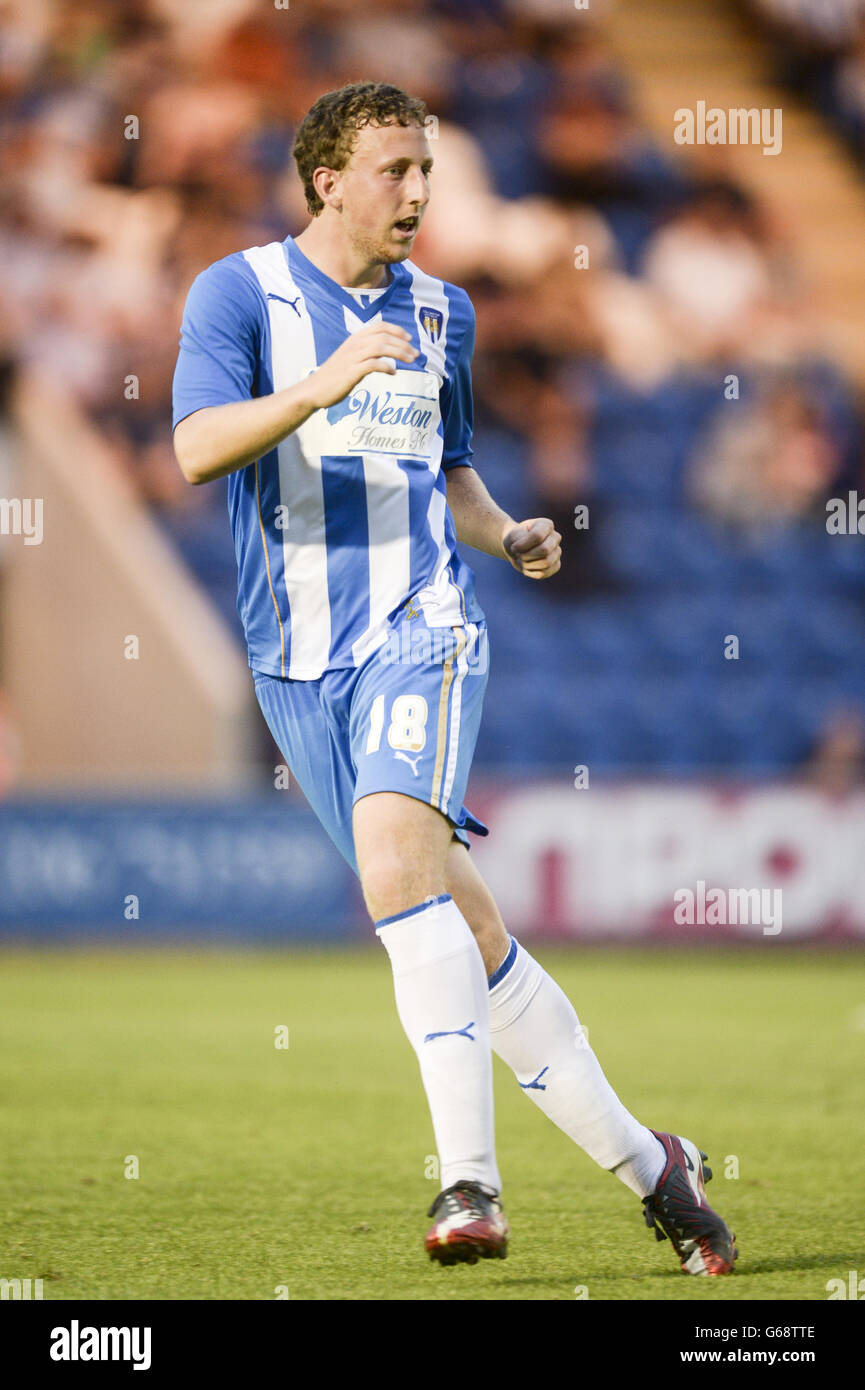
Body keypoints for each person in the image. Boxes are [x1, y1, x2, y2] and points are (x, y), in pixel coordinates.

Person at [171, 80, 737, 1276]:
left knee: (392, 867)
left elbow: (453, 475)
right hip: (294, 663)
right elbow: (192, 447)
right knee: (463, 925)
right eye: (394, 170)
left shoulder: (444, 313)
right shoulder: (240, 293)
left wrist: (508, 532)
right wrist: (318, 386)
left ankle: (467, 1182)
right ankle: (656, 1167)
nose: (419, 193)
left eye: (425, 169)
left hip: (422, 627)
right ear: (327, 178)